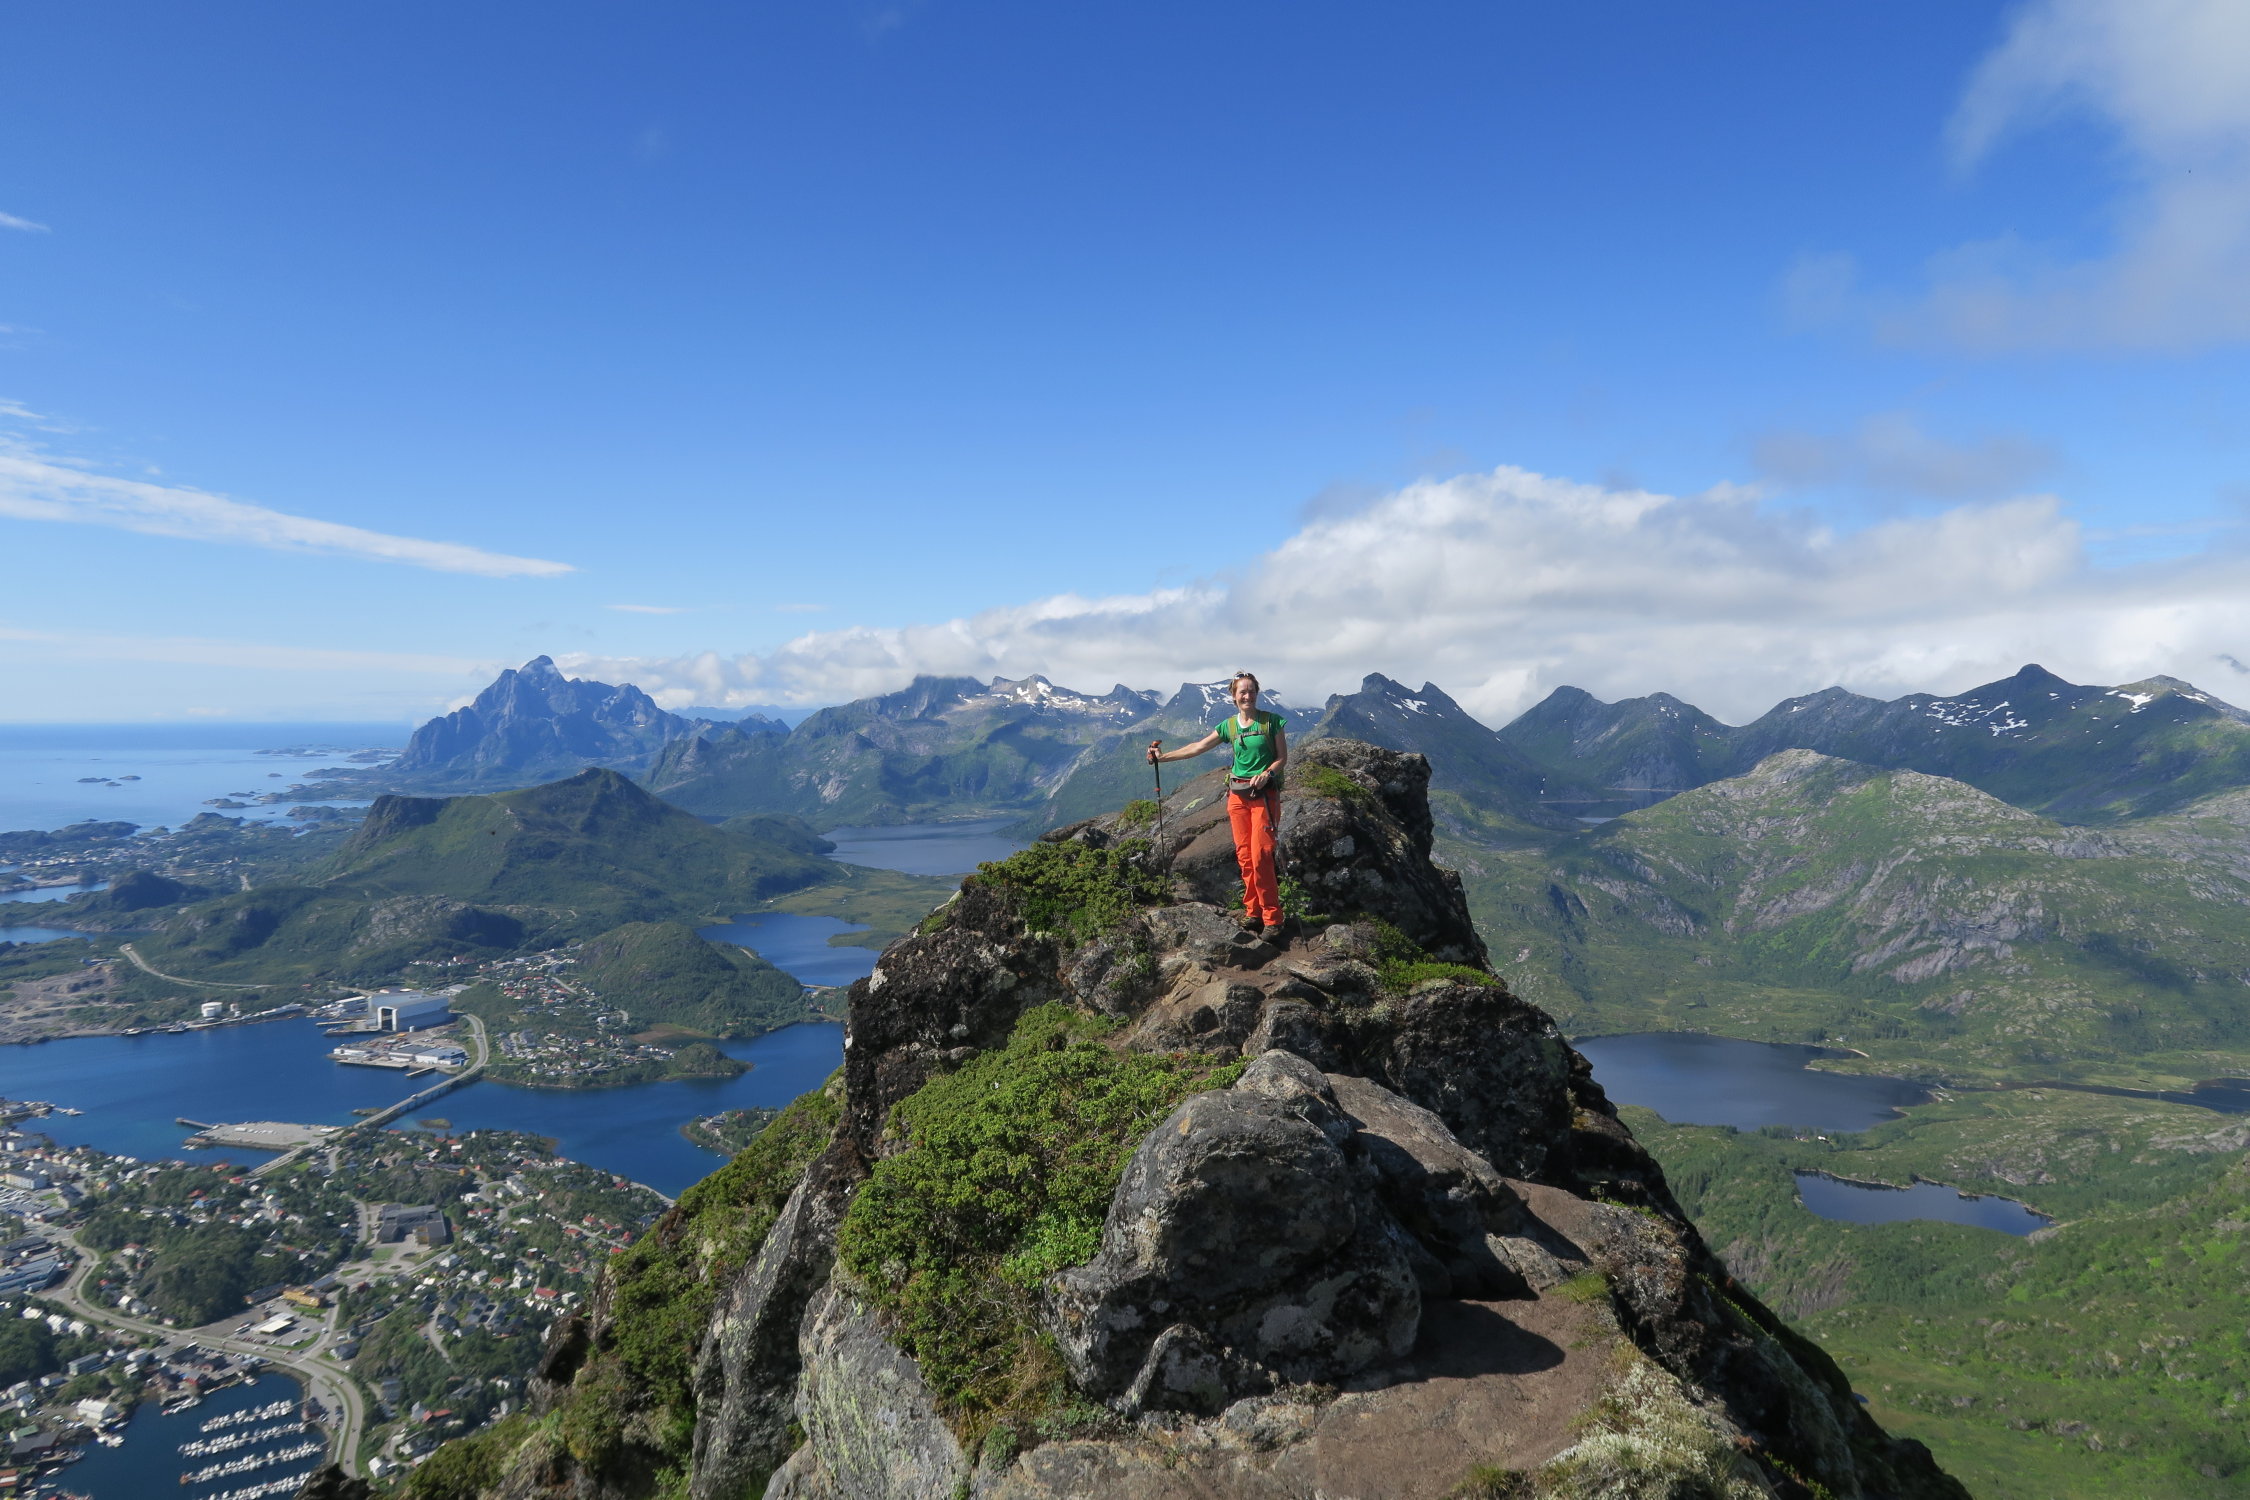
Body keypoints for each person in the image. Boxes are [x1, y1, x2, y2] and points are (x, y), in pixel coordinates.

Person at [1148, 671, 1288, 941]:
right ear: (1233, 696)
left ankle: (1273, 918)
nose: (1247, 696)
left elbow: (1282, 758)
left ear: (1257, 693)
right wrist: (1162, 758)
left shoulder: (1272, 722)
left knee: (1261, 856)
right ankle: (1253, 912)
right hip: (1237, 795)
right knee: (1245, 857)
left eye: (1251, 691)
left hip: (1264, 795)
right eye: (1242, 692)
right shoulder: (1230, 726)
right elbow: (1198, 747)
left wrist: (1268, 773)